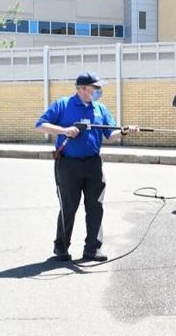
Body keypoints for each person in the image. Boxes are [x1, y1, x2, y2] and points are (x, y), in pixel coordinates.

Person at [35, 71, 140, 262]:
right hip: (68, 164)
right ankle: (61, 247)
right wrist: (64, 130)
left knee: (95, 206)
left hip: (93, 163)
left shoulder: (99, 109)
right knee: (69, 206)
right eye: (95, 88)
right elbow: (40, 125)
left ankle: (92, 248)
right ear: (82, 89)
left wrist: (124, 132)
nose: (98, 91)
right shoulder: (63, 105)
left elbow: (110, 133)